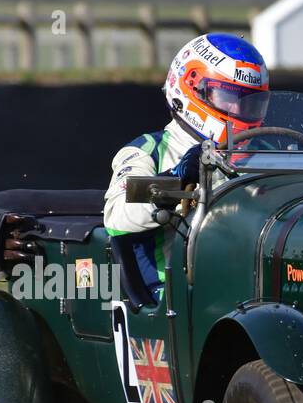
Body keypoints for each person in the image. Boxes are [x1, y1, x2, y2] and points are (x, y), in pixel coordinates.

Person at [103, 33, 269, 301]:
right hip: (177, 292)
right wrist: (176, 180)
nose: (239, 108)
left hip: (254, 278)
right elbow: (117, 217)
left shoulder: (263, 153)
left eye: (250, 101)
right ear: (193, 88)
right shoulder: (148, 150)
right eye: (229, 96)